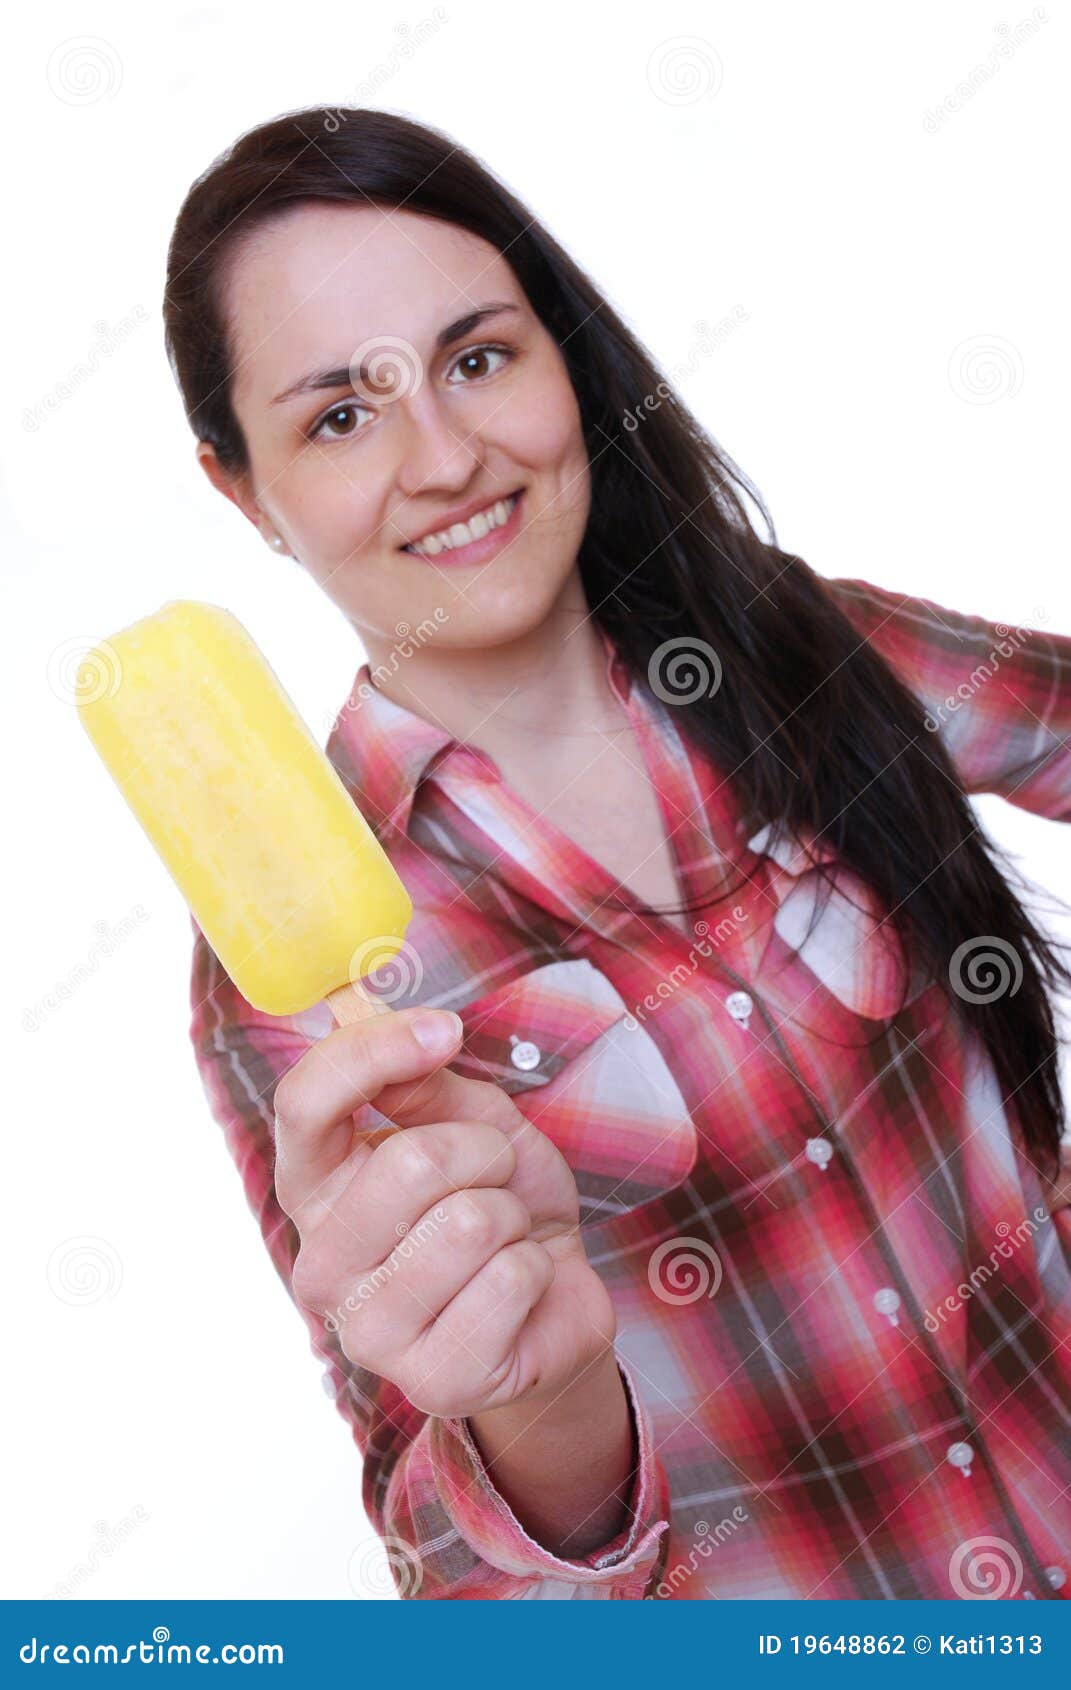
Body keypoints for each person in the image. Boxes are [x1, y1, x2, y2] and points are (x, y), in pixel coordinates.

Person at [168, 106, 1071, 1600]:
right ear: (245, 492)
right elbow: (455, 1579)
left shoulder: (801, 649)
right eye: (340, 414)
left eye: (477, 358)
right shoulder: (295, 981)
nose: (446, 456)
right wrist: (538, 1419)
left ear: (563, 361)